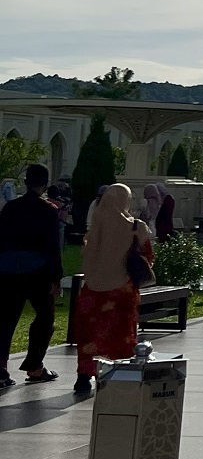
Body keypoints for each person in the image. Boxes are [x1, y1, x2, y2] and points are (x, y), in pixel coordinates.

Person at [75, 182, 151, 398]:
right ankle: (118, 373)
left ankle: (84, 375)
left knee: (89, 335)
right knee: (121, 333)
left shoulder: (96, 224)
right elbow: (148, 255)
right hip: (122, 291)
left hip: (92, 289)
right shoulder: (136, 227)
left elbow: (87, 255)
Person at [0, 163, 64, 387]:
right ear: (45, 184)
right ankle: (35, 365)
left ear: (25, 182)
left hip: (9, 271)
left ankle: (1, 368)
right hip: (38, 272)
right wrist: (57, 276)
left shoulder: (11, 208)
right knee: (45, 317)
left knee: (5, 321)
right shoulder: (48, 210)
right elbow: (53, 246)